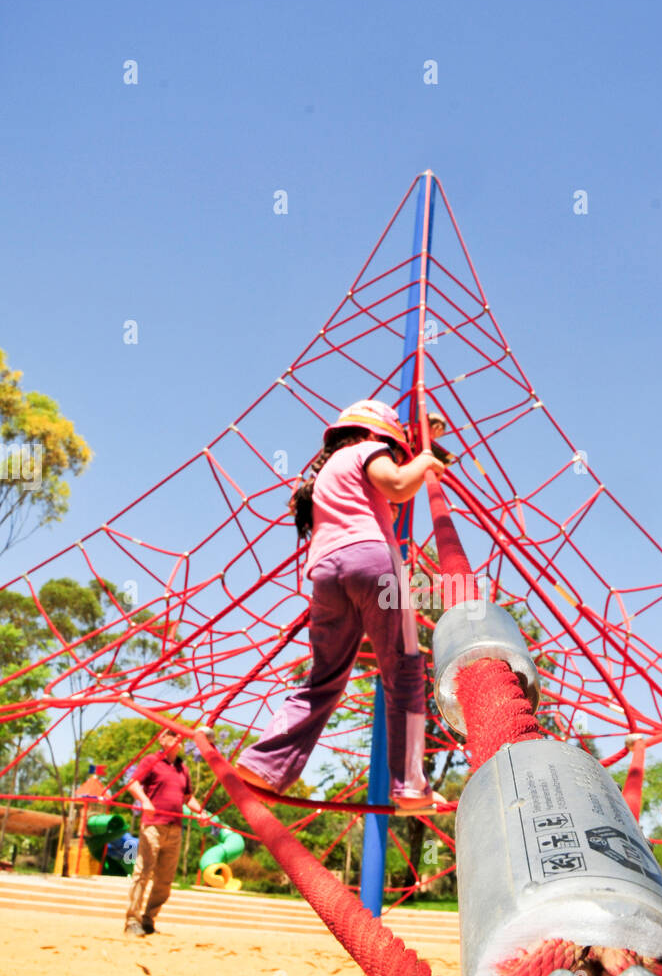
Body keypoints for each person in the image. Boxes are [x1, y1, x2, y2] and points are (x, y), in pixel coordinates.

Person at [236, 399, 448, 812]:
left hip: (326, 573)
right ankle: (409, 785)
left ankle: (264, 763)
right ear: (378, 436)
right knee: (404, 669)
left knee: (325, 676)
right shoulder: (369, 450)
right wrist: (424, 460)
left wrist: (422, 448)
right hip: (373, 561)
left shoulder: (326, 471)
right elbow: (399, 487)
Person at [124, 728, 206, 937]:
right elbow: (132, 784)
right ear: (162, 739)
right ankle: (132, 920)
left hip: (175, 828)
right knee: (143, 873)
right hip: (153, 825)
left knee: (165, 880)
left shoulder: (183, 769)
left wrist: (202, 812)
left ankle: (148, 919)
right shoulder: (151, 761)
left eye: (179, 735)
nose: (177, 737)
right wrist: (145, 801)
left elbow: (188, 798)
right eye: (171, 734)